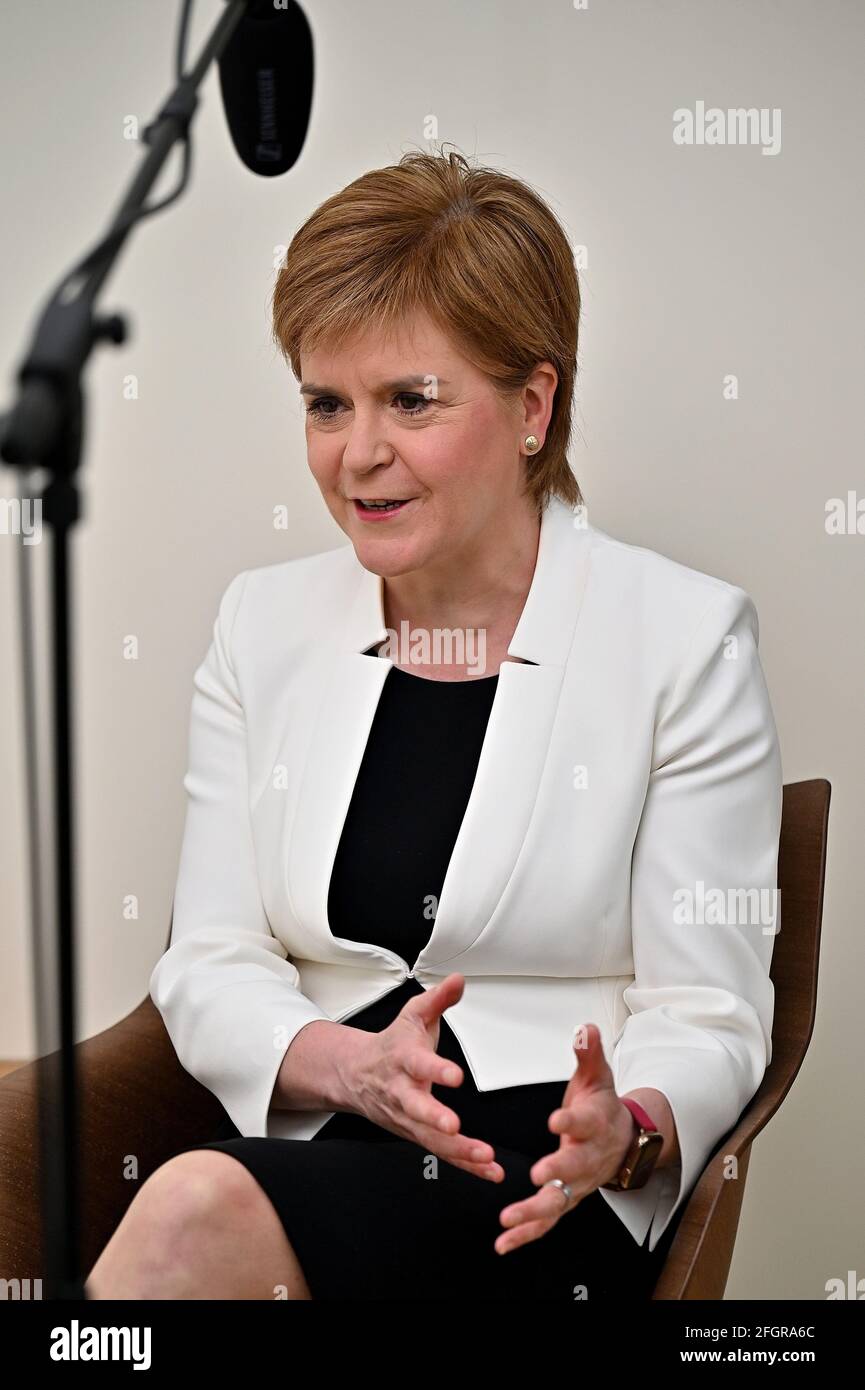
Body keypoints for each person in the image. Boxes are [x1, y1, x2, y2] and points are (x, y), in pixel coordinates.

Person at [86, 146, 782, 1301]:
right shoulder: (261, 625)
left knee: (194, 1210)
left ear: (532, 405)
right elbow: (208, 957)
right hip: (310, 1135)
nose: (358, 454)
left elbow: (707, 1010)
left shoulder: (683, 638)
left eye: (411, 399)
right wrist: (346, 1066)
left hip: (540, 1191)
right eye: (326, 402)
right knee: (200, 1201)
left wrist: (634, 1129)